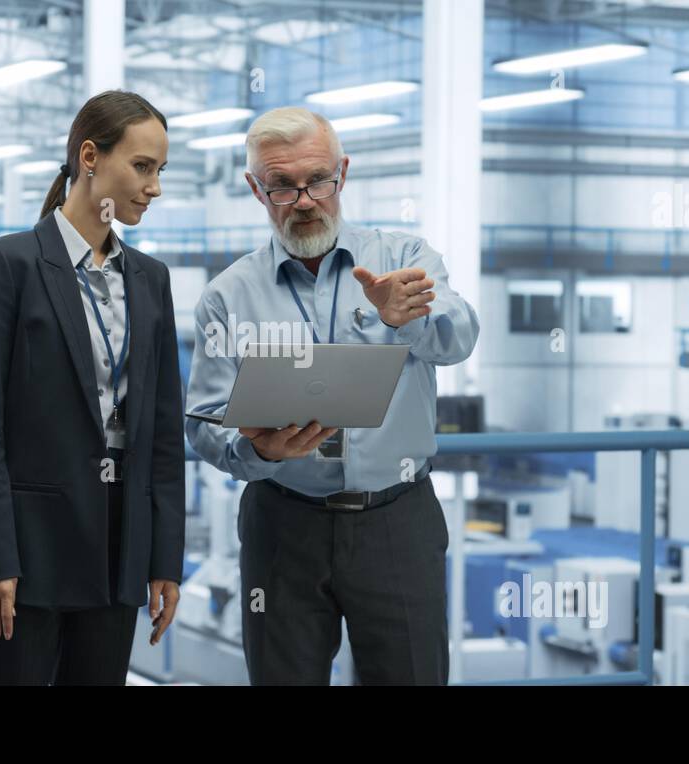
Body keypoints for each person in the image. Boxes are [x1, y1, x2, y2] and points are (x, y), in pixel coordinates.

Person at [184, 106, 479, 685]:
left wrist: (407, 320)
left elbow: (460, 336)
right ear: (255, 188)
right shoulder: (228, 296)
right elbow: (204, 423)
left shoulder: (403, 259)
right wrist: (260, 452)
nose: (304, 200)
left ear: (342, 173)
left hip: (397, 519)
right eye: (282, 187)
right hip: (282, 522)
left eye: (318, 180)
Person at [0, 90, 184, 685]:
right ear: (89, 156)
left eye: (160, 171)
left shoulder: (151, 282)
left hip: (117, 553)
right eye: (142, 167)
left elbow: (161, 436)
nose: (154, 187)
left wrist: (164, 560)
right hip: (25, 560)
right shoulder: (8, 265)